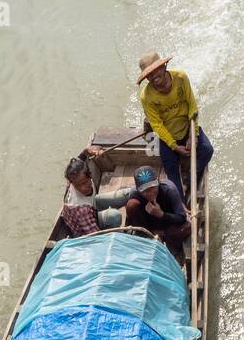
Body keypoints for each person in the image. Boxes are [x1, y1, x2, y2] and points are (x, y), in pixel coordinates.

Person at [137, 51, 213, 203]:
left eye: (156, 71)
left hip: (187, 128)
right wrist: (174, 146)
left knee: (207, 150)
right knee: (172, 172)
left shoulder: (181, 77)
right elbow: (157, 125)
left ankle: (192, 184)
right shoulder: (147, 97)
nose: (154, 77)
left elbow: (192, 107)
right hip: (168, 136)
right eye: (149, 75)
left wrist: (194, 136)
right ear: (146, 78)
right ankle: (182, 202)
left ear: (164, 66)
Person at [124, 165, 191, 263]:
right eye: (145, 190)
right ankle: (145, 235)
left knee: (178, 231)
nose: (150, 193)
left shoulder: (169, 189)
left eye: (152, 188)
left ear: (158, 182)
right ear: (138, 190)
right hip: (149, 223)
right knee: (131, 205)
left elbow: (181, 218)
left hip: (168, 222)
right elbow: (132, 214)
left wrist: (161, 214)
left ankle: (175, 249)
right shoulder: (135, 194)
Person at [61, 149, 131, 237]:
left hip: (92, 205)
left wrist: (91, 151)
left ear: (90, 175)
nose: (82, 188)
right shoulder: (82, 210)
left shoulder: (75, 175)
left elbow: (83, 155)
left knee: (129, 193)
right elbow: (96, 237)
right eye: (78, 185)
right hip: (86, 231)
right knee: (114, 216)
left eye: (84, 182)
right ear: (72, 183)